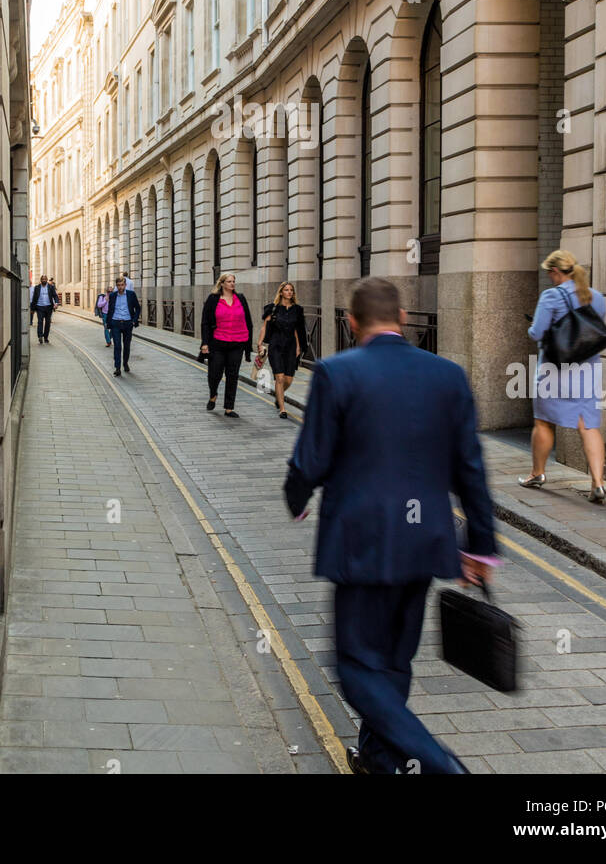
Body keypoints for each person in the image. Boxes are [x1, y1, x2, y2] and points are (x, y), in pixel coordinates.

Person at [284, 277, 498, 775]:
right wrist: (480, 548)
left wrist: (296, 501)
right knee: (395, 660)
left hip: (360, 541)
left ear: (352, 323)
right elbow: (471, 469)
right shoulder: (448, 375)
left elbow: (309, 462)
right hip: (423, 541)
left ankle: (441, 764)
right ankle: (380, 760)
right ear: (402, 318)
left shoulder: (337, 373)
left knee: (357, 669)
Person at [521, 249, 606, 503]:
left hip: (555, 369)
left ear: (556, 271)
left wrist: (531, 327)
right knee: (589, 425)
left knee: (544, 422)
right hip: (587, 369)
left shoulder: (550, 297)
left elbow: (537, 333)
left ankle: (537, 474)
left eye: (549, 272)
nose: (549, 277)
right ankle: (598, 483)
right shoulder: (596, 297)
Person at [200, 272, 253, 419]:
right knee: (214, 373)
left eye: (233, 281)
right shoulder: (213, 299)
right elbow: (205, 322)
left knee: (232, 375)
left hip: (237, 342)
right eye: (229, 281)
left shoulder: (240, 299)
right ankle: (213, 394)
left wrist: (249, 345)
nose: (232, 284)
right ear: (222, 283)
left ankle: (229, 408)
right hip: (218, 342)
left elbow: (248, 321)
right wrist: (205, 342)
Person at [257, 282, 307, 419]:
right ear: (281, 292)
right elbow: (265, 327)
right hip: (276, 345)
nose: (289, 292)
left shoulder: (297, 310)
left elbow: (297, 330)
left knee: (288, 380)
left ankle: (279, 396)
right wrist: (260, 343)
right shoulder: (273, 309)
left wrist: (298, 347)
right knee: (279, 377)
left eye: (291, 290)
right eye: (286, 290)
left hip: (291, 346)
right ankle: (282, 408)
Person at [107, 274, 141, 375]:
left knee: (126, 346)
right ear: (116, 286)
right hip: (116, 323)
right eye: (118, 285)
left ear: (125, 285)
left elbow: (138, 308)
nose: (120, 287)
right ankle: (117, 368)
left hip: (127, 323)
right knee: (117, 346)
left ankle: (125, 363)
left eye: (122, 285)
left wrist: (134, 320)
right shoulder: (113, 296)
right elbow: (110, 310)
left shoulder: (131, 294)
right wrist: (108, 323)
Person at [30, 275, 59, 344]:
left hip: (49, 307)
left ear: (46, 280)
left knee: (47, 323)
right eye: (42, 279)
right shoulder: (37, 287)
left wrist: (56, 303)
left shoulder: (51, 287)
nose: (44, 280)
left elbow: (55, 296)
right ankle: (40, 336)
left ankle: (46, 337)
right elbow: (34, 298)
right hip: (39, 307)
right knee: (40, 322)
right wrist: (32, 309)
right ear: (41, 280)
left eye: (45, 279)